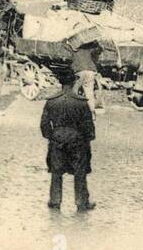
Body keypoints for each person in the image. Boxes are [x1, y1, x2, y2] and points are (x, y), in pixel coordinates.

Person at [40, 64, 97, 211]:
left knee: (56, 172)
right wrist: (86, 141)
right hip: (77, 141)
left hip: (57, 140)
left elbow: (44, 126)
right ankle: (81, 202)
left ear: (60, 82)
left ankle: (55, 201)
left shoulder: (51, 101)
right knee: (80, 172)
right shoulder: (81, 103)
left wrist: (53, 137)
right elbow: (89, 128)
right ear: (74, 82)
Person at [71, 42, 103, 113]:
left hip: (80, 71)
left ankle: (73, 111)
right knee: (89, 93)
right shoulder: (88, 49)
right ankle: (92, 113)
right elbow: (99, 50)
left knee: (74, 92)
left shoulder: (74, 49)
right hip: (91, 71)